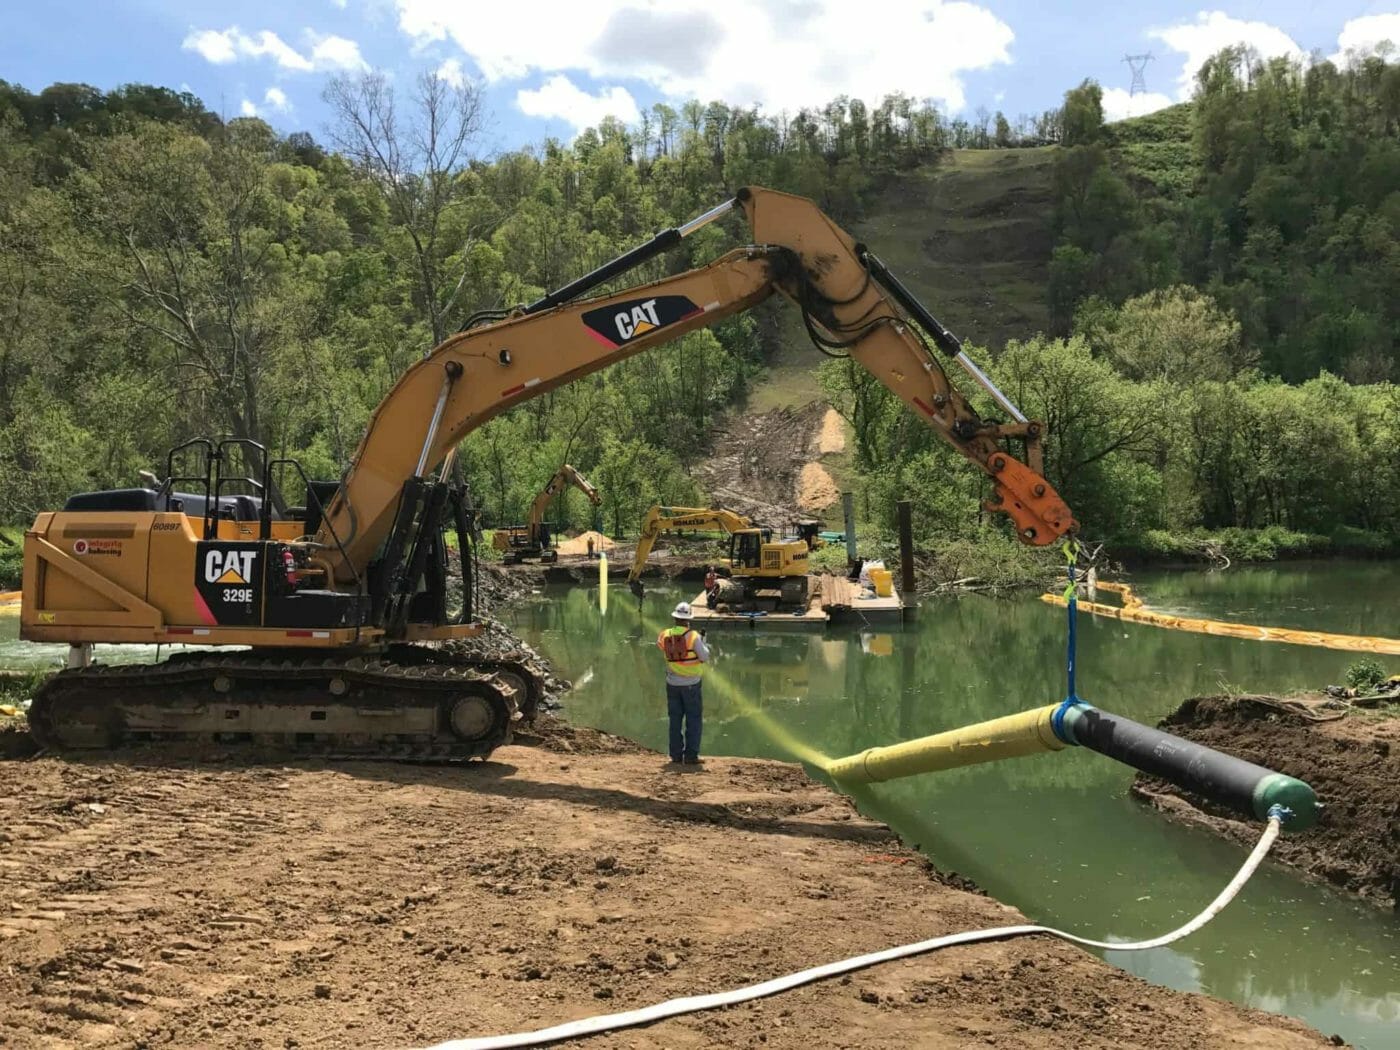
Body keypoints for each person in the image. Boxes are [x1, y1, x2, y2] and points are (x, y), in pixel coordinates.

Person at [658, 601, 710, 766]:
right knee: (693, 720)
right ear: (688, 620)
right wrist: (703, 641)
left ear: (675, 618)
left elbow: (661, 646)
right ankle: (690, 756)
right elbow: (704, 657)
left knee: (675, 720)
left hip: (672, 684)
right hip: (691, 685)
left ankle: (675, 755)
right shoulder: (694, 636)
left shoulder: (664, 634)